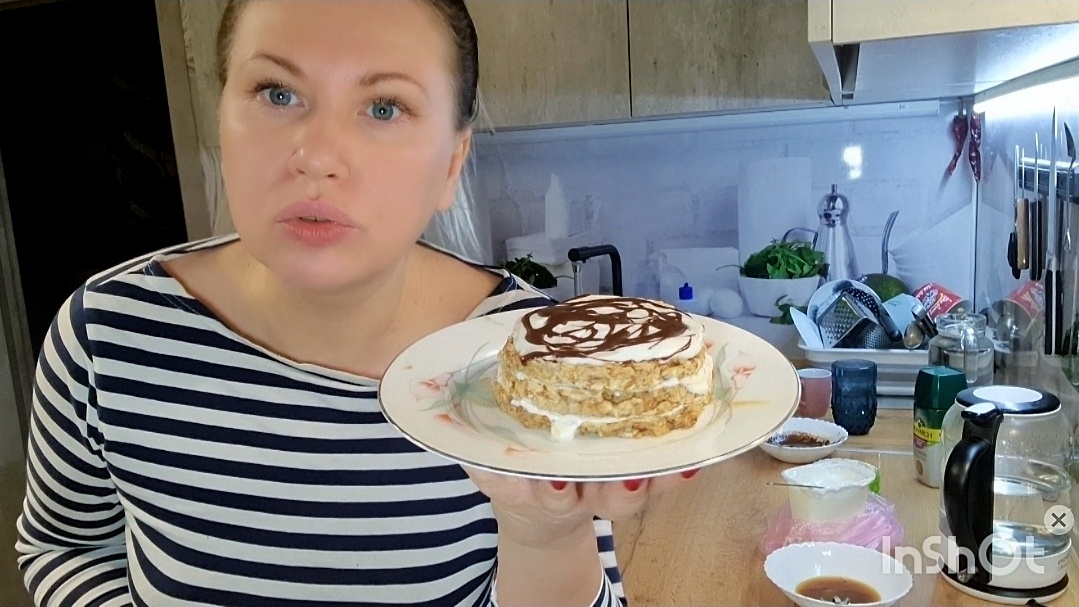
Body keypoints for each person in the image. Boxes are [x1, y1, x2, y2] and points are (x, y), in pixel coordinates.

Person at [14, 1, 700, 606]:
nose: (317, 155)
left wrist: (543, 535)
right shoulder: (106, 335)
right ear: (222, 120)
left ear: (451, 163)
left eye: (383, 107)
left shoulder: (525, 362)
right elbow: (61, 547)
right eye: (277, 93)